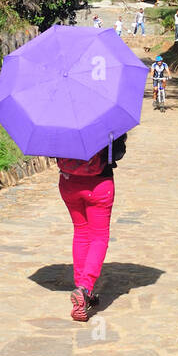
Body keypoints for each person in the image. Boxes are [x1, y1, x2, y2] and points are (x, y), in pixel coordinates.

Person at [57, 133, 127, 321]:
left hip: (69, 181)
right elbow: (119, 152)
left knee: (80, 233)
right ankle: (85, 288)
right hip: (99, 183)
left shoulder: (60, 115)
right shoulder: (106, 116)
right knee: (99, 237)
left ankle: (83, 292)